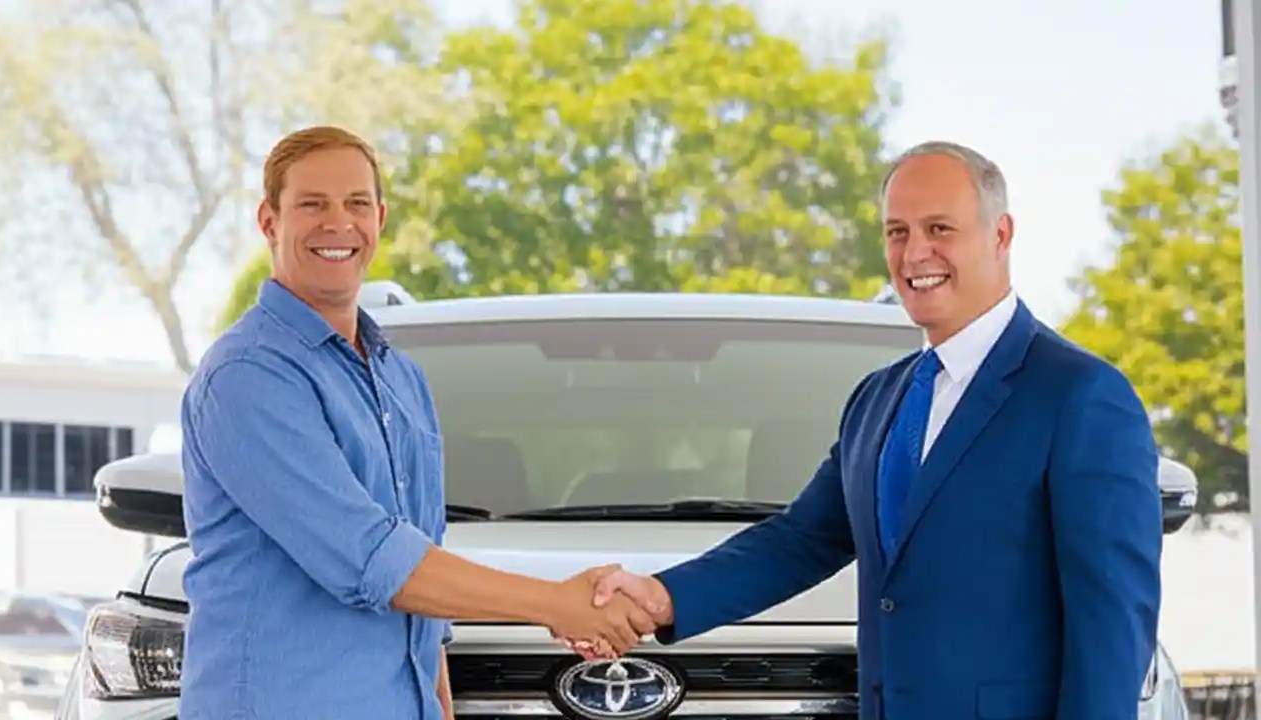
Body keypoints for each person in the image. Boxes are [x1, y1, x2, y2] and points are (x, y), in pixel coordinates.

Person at [587, 141, 1163, 719]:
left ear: (1001, 235)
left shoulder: (1080, 396)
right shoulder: (878, 399)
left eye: (939, 228)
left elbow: (1112, 627)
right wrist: (663, 597)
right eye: (897, 232)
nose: (915, 253)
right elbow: (802, 540)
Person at [179, 125, 655, 720]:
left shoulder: (402, 381)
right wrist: (556, 602)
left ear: (379, 218)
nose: (338, 223)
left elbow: (423, 600)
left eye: (356, 203)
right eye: (312, 204)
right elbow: (370, 560)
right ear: (270, 221)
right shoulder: (248, 377)